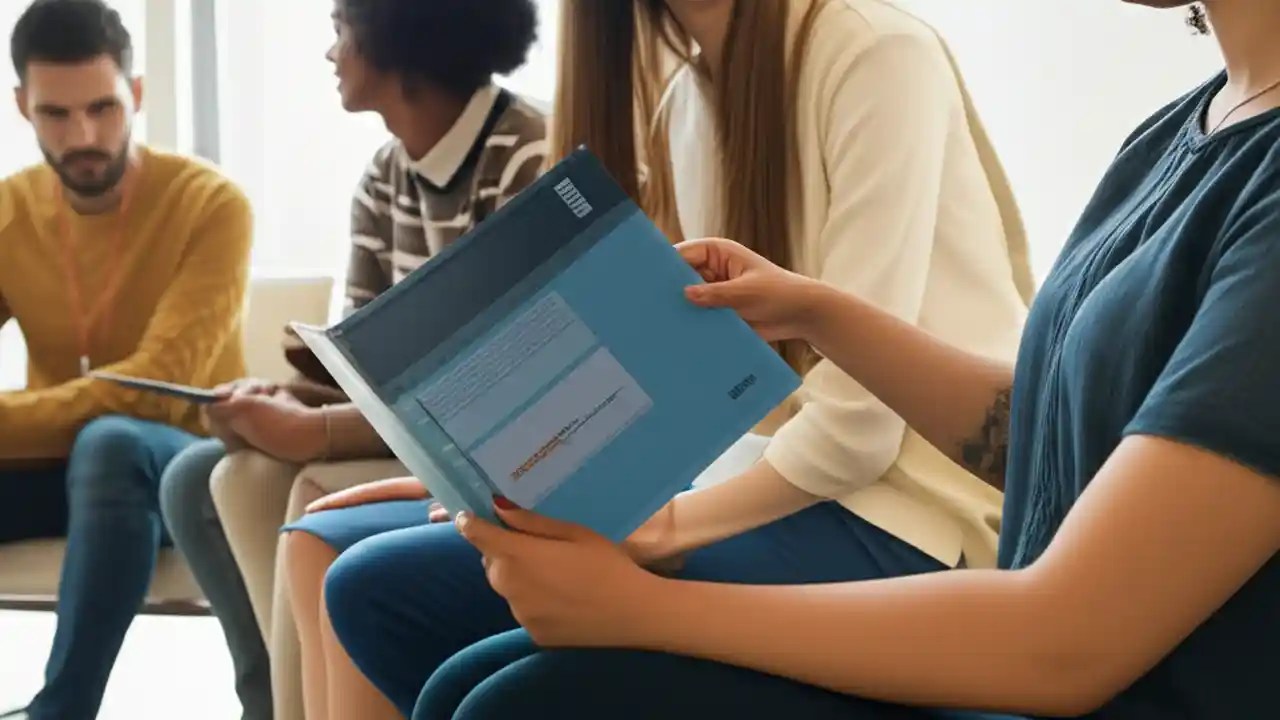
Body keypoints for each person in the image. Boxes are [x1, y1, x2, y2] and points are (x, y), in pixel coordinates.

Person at [413, 1, 1280, 718]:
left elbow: (1069, 640)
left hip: (1069, 680)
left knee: (515, 704)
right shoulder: (1183, 130)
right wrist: (821, 314)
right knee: (470, 685)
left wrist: (645, 607)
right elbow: (1052, 444)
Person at [318, 0, 1036, 715]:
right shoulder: (684, 105)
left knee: (458, 675)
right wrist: (484, 477)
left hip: (916, 517)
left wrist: (665, 528)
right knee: (369, 585)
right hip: (784, 484)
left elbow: (860, 428)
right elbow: (688, 390)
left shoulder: (877, 53)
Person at [156, 0, 547, 718]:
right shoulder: (384, 175)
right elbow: (366, 365)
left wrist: (318, 431)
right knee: (212, 473)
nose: (330, 52)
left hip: (493, 444)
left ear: (400, 33)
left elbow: (500, 392)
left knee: (310, 484)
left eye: (340, 28)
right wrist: (276, 399)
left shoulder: (524, 154)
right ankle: (275, 702)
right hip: (413, 423)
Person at [0, 0, 253, 717]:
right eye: (55, 114)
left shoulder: (210, 204)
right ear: (22, 106)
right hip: (56, 467)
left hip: (183, 468)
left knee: (109, 439)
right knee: (94, 438)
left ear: (136, 94)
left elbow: (153, 394)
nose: (83, 136)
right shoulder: (8, 214)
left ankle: (62, 710)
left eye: (103, 108)